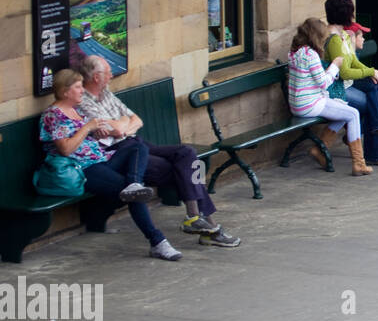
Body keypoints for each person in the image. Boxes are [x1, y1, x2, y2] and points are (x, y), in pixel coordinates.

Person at [76, 55, 240, 248]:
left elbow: (136, 119)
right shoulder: (82, 102)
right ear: (96, 77)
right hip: (119, 153)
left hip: (136, 143)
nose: (112, 75)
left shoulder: (106, 94)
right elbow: (121, 128)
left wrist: (123, 125)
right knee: (185, 170)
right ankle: (210, 228)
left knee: (187, 154)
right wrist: (124, 124)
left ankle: (194, 216)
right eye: (108, 72)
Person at [40, 69, 182, 261]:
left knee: (136, 146)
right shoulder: (53, 115)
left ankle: (134, 183)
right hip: (82, 168)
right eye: (78, 87)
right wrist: (87, 128)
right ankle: (157, 241)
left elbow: (87, 134)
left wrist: (95, 132)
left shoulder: (76, 110)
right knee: (133, 195)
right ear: (65, 92)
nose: (82, 91)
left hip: (101, 159)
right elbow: (66, 149)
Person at [324, 0, 378, 167]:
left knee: (375, 88)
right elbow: (345, 72)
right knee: (372, 104)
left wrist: (372, 72)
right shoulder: (333, 40)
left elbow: (353, 61)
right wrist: (369, 71)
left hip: (347, 83)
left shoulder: (344, 35)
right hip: (337, 88)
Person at [287, 18, 371, 176]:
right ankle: (359, 163)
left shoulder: (294, 52)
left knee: (343, 112)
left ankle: (320, 149)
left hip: (297, 104)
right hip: (310, 104)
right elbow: (323, 83)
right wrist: (335, 66)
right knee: (353, 114)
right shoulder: (310, 55)